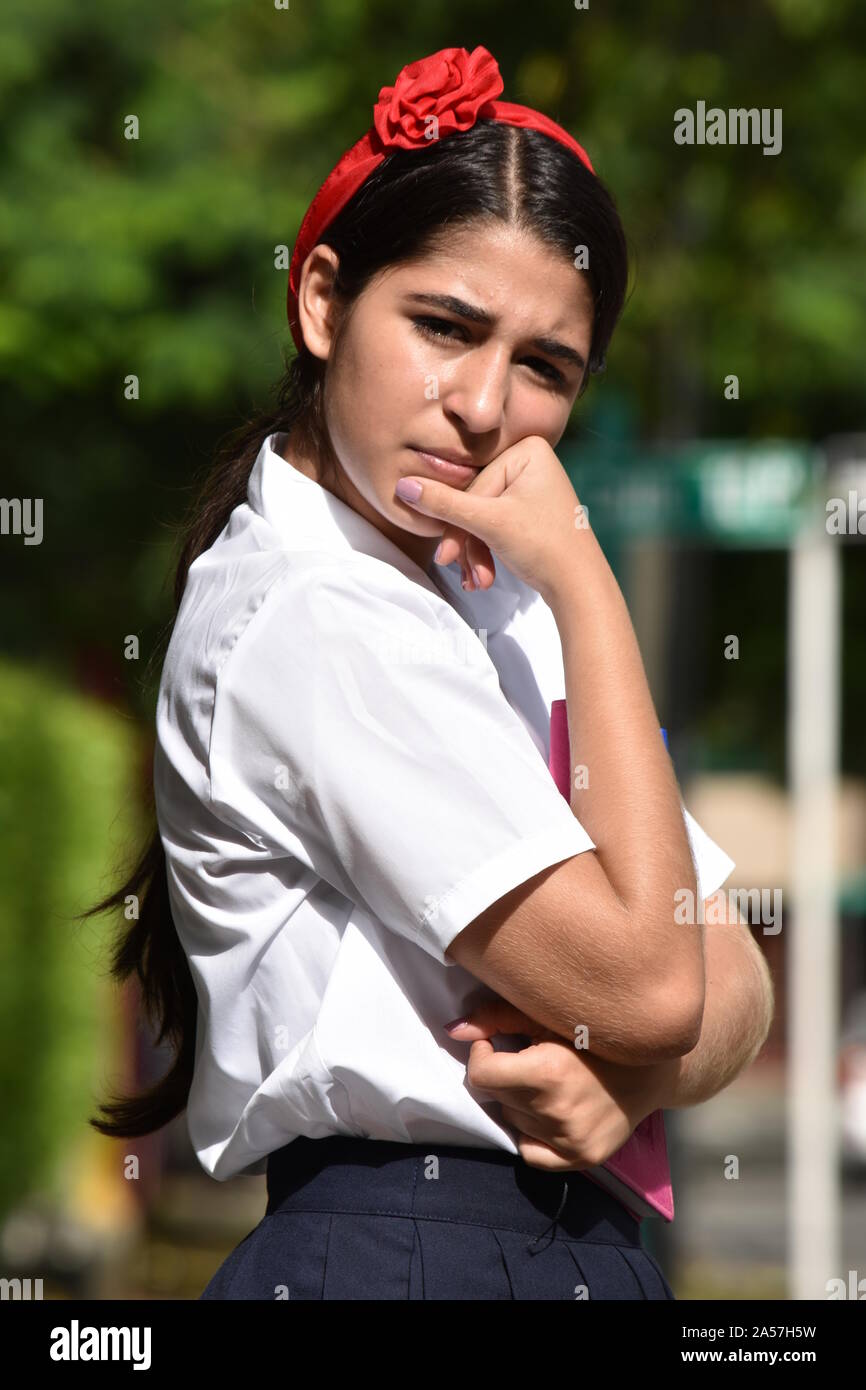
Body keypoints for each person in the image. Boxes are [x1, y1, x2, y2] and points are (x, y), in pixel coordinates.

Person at [82, 44, 773, 1300]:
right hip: (405, 1250)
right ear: (321, 301)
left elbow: (732, 978)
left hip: (541, 1244)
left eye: (544, 366)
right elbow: (662, 982)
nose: (480, 402)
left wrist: (634, 1073)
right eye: (443, 325)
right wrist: (589, 580)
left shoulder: (490, 582)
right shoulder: (317, 607)